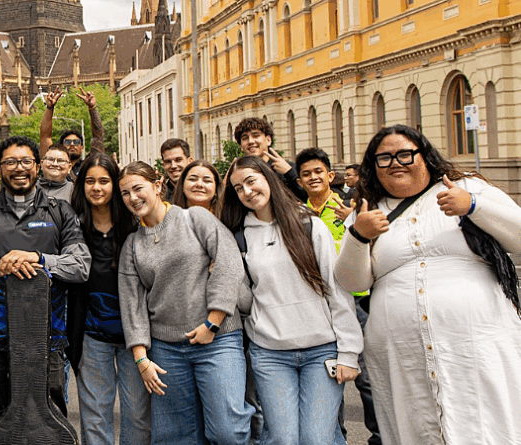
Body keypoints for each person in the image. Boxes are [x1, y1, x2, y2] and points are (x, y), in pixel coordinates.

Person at [333, 125, 521, 445]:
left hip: (479, 343)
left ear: (424, 155)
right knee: (417, 428)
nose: (396, 163)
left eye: (405, 154)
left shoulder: (464, 187)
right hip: (400, 352)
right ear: (372, 166)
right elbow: (352, 281)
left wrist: (474, 205)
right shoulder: (368, 209)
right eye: (384, 158)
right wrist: (358, 236)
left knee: (488, 423)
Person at [0, 135, 91, 436]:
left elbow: (81, 265)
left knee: (47, 429)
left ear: (37, 167)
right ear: (0, 169)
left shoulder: (60, 212)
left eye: (26, 161)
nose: (19, 168)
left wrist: (39, 259)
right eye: (10, 162)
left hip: (46, 339)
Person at [219, 155, 362, 445]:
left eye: (250, 181)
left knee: (317, 439)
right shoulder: (239, 237)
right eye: (238, 188)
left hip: (320, 351)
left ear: (267, 179)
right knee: (282, 438)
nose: (246, 191)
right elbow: (247, 301)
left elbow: (336, 290)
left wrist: (349, 352)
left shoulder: (308, 225)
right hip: (270, 354)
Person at [118, 161, 252, 445]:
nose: (132, 198)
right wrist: (142, 359)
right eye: (125, 193)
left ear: (157, 186)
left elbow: (229, 264)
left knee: (228, 431)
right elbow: (133, 306)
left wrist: (211, 324)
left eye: (138, 188)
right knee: (175, 437)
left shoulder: (195, 220)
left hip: (218, 340)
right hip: (167, 351)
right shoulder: (132, 245)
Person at [295, 148, 381, 444]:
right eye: (306, 174)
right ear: (300, 181)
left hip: (357, 299)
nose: (313, 178)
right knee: (331, 375)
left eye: (318, 172)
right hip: (321, 303)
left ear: (330, 175)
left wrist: (352, 222)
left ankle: (379, 438)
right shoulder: (298, 215)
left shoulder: (351, 206)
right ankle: (337, 436)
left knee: (367, 377)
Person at [67, 153, 148, 445]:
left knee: (138, 415)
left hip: (135, 336)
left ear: (115, 185)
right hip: (91, 335)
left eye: (104, 180)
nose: (97, 187)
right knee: (95, 415)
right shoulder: (72, 227)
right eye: (90, 181)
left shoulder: (136, 225)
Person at [233, 117, 307, 202]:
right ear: (241, 146)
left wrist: (289, 173)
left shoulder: (287, 169)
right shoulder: (239, 174)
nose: (250, 141)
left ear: (268, 140)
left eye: (256, 136)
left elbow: (306, 198)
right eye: (245, 138)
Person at [40, 85, 105, 178]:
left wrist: (92, 108)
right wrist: (49, 108)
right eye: (67, 142)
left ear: (82, 147)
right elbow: (45, 137)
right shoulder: (52, 165)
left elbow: (98, 137)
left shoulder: (88, 166)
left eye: (76, 142)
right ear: (62, 146)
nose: (72, 144)